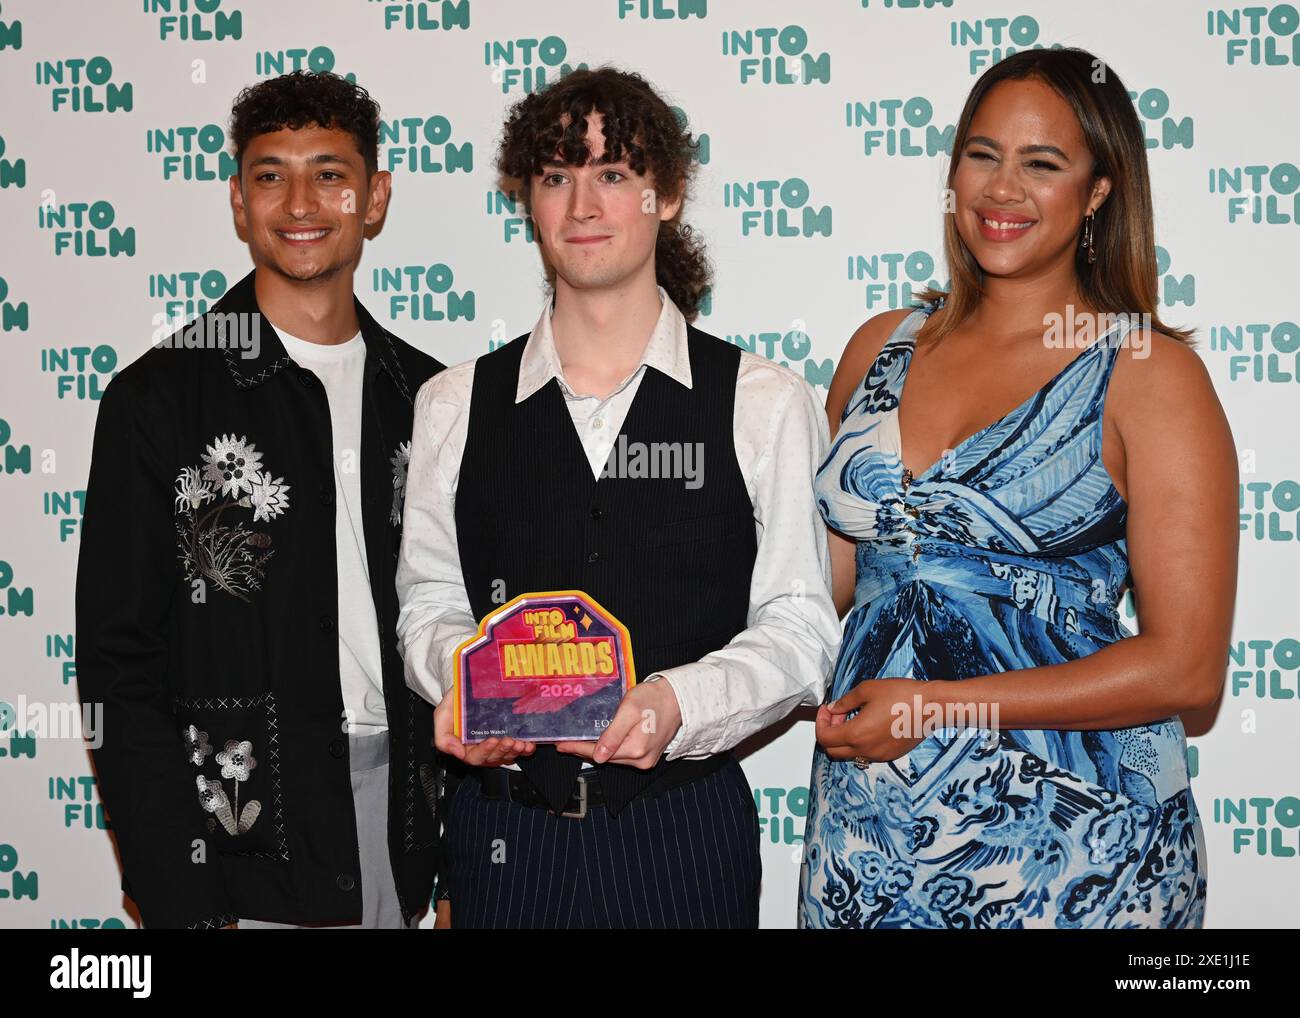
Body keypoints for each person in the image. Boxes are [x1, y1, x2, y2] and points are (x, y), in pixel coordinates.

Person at [799, 47, 1237, 929]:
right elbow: (823, 590)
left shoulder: (1147, 373)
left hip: (1080, 857)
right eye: (982, 153)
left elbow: (1188, 673)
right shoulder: (879, 347)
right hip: (870, 845)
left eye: (1043, 163)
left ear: (1099, 193)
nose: (1003, 189)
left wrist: (937, 705)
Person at [395, 66, 841, 928]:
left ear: (664, 196)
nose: (582, 207)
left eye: (612, 175)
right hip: (503, 839)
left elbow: (799, 626)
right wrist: (466, 686)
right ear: (528, 199)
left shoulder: (762, 400)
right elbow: (430, 601)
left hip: (685, 833)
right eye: (557, 177)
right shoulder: (454, 404)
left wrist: (680, 703)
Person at [76, 71, 446, 929]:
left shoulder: (430, 397)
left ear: (375, 196)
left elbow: (462, 631)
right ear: (239, 203)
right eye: (270, 174)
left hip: (409, 823)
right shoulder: (158, 400)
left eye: (329, 171)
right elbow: (118, 665)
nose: (300, 200)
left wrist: (463, 865)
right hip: (240, 842)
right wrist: (176, 889)